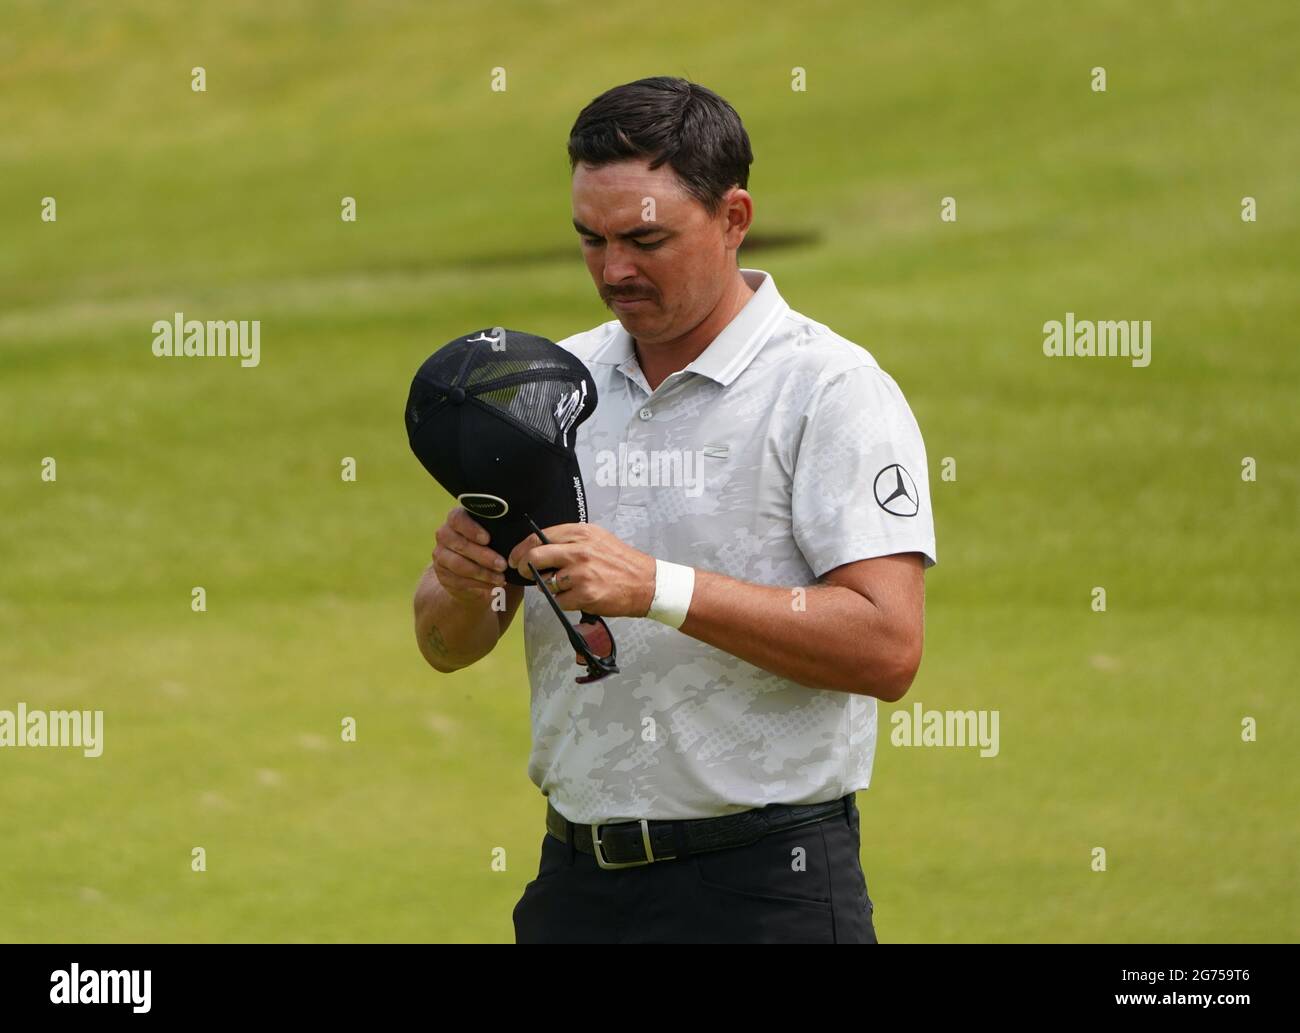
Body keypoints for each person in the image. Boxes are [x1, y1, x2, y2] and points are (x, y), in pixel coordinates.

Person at [412, 76, 937, 943]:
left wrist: (658, 586)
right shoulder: (542, 387)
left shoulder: (830, 392)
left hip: (770, 889)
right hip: (576, 890)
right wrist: (462, 586)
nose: (614, 270)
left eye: (645, 238)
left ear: (735, 217)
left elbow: (888, 647)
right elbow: (443, 646)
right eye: (591, 238)